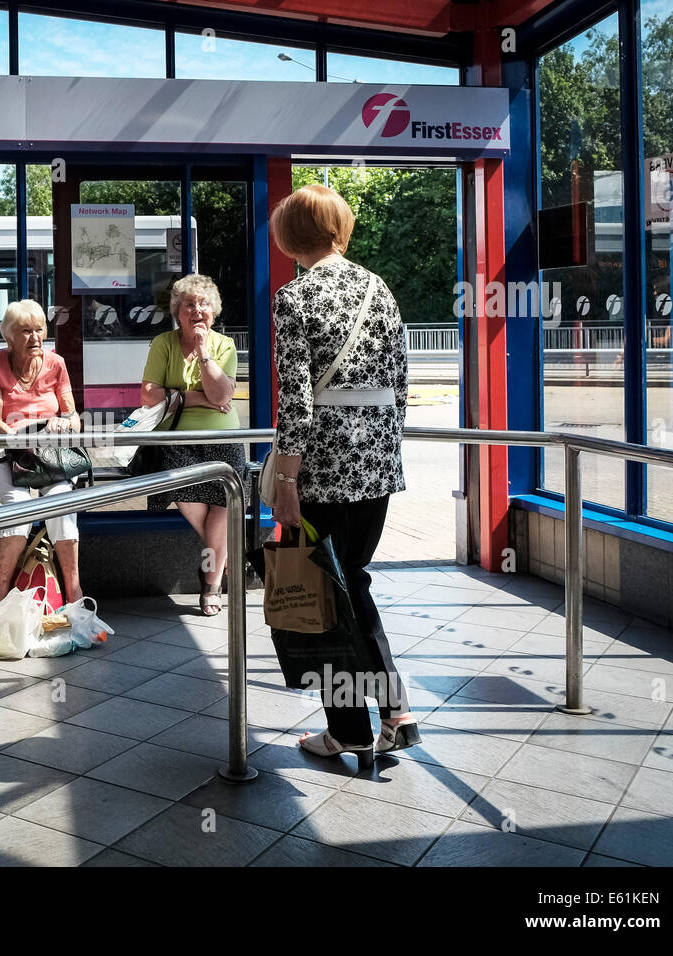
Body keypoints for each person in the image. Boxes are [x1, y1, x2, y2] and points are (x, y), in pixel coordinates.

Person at [268, 183, 419, 764]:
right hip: (377, 468)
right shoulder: (377, 288)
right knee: (351, 582)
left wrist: (286, 481)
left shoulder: (295, 297)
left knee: (328, 596)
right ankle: (381, 716)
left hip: (322, 474)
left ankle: (358, 726)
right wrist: (378, 446)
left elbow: (297, 403)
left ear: (290, 237)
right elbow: (400, 384)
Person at [139, 274, 246, 616]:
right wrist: (197, 398)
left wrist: (203, 354)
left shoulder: (224, 346)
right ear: (177, 311)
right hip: (176, 440)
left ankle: (210, 583)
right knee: (188, 495)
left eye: (203, 304)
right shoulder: (164, 344)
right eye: (189, 304)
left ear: (213, 311)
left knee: (225, 504)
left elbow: (224, 395)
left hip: (222, 439)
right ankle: (220, 556)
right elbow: (148, 394)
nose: (196, 310)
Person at [0, 298, 83, 607]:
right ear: (8, 337)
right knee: (18, 504)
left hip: (49, 458)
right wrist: (22, 437)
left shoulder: (56, 363)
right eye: (25, 331)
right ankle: (0, 593)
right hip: (4, 454)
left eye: (39, 329)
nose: (35, 337)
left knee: (62, 502)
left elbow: (73, 416)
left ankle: (74, 591)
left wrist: (64, 423)